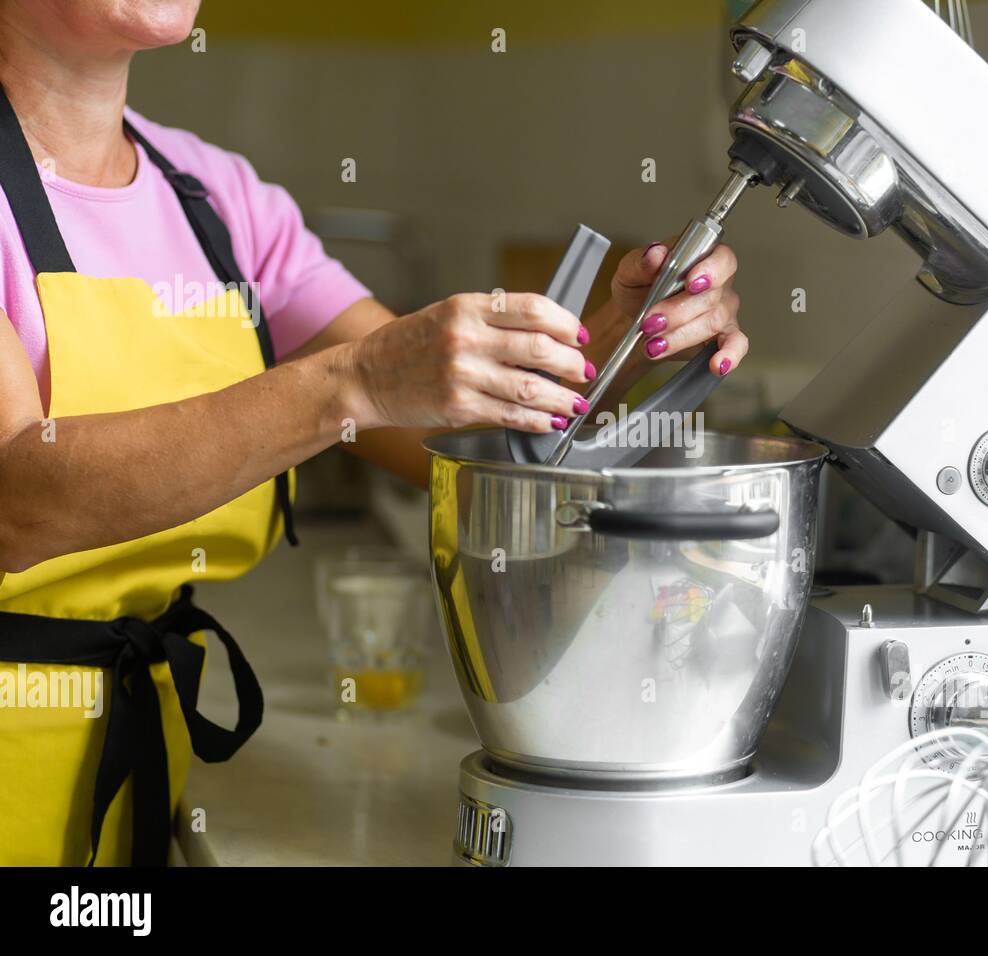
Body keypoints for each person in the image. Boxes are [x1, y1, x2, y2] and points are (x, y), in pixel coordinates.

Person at [0, 0, 746, 866]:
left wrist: (625, 341)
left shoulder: (217, 200)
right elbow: (18, 500)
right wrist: (352, 380)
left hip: (134, 774)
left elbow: (463, 440)